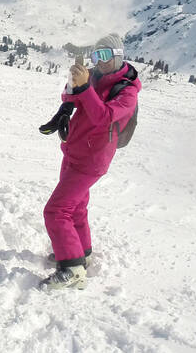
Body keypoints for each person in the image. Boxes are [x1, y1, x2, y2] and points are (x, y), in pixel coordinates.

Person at [40, 33, 141, 290]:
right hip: (74, 150)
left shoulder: (127, 91)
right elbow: (71, 97)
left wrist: (85, 88)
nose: (100, 61)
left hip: (92, 160)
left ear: (119, 57)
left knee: (56, 210)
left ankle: (72, 269)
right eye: (97, 56)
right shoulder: (94, 76)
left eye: (106, 55)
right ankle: (81, 253)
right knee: (75, 207)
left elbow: (104, 117)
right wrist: (73, 87)